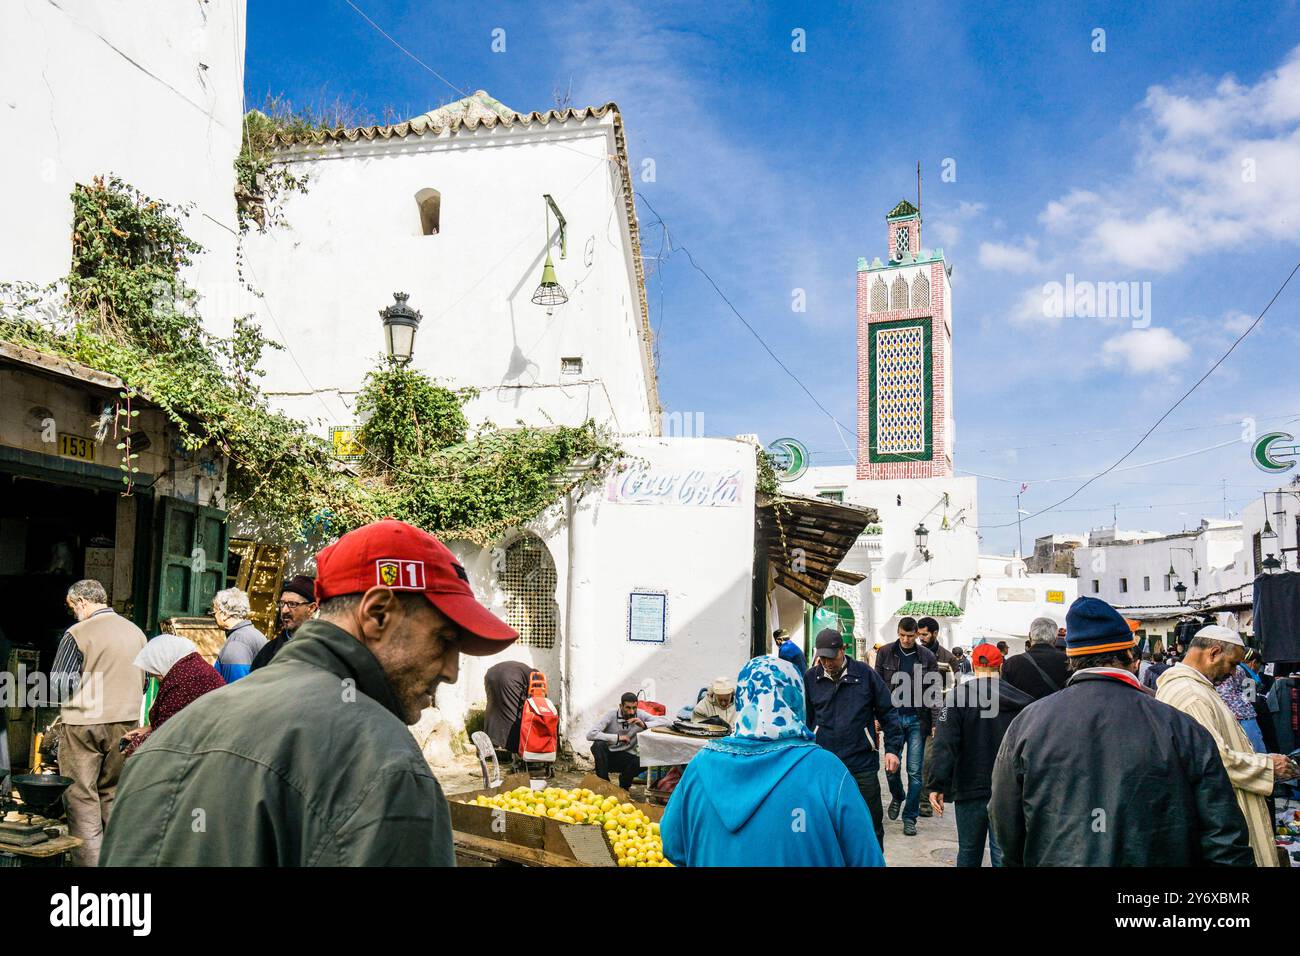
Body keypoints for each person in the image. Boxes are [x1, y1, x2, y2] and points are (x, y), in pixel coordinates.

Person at [102, 519, 519, 865]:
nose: (451, 671)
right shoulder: (383, 765)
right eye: (444, 640)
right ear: (377, 614)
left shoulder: (168, 739)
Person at [988, 596, 1253, 866]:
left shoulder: (1026, 725)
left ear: (1072, 659)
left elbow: (1005, 820)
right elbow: (1224, 837)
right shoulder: (1180, 726)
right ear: (1129, 655)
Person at [661, 656, 885, 867]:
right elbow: (867, 858)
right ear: (796, 699)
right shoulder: (827, 771)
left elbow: (673, 845)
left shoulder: (700, 767)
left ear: (741, 700)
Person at [1156, 625, 1296, 868]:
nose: (1233, 674)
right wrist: (1269, 766)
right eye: (1232, 664)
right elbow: (1215, 760)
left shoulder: (1195, 689)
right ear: (1214, 652)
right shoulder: (1191, 695)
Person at [49, 579, 147, 867]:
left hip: (84, 723)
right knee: (113, 793)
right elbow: (143, 683)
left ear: (81, 603)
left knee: (81, 796)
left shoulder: (77, 633)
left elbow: (59, 684)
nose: (72, 614)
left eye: (72, 608)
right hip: (127, 721)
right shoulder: (136, 632)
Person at [925, 642, 1033, 866]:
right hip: (1007, 790)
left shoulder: (957, 697)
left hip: (969, 786)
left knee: (968, 850)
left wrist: (937, 785)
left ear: (973, 666)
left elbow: (945, 744)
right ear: (1000, 666)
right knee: (1002, 853)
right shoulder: (1024, 701)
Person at [806, 628, 902, 849]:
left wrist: (892, 749)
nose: (827, 663)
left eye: (832, 657)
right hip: (824, 764)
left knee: (870, 823)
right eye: (823, 658)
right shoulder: (811, 678)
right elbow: (805, 720)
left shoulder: (865, 674)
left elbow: (888, 712)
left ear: (843, 650)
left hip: (862, 764)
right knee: (826, 826)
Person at [874, 617, 941, 833]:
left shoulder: (927, 657)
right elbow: (876, 688)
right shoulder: (884, 653)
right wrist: (875, 717)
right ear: (898, 632)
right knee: (891, 768)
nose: (906, 640)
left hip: (916, 720)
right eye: (902, 635)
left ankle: (910, 816)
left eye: (910, 636)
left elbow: (933, 691)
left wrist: (935, 721)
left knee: (915, 771)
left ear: (916, 635)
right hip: (891, 720)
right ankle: (897, 795)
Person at [120, 635, 225, 757]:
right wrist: (149, 728)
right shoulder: (192, 668)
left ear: (163, 660)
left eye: (157, 674)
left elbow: (167, 736)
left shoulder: (183, 681)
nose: (158, 679)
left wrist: (134, 744)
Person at [586, 692, 667, 789]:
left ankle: (624, 785)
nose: (631, 712)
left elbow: (667, 722)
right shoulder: (611, 715)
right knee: (598, 745)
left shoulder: (640, 715)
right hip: (607, 758)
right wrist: (617, 738)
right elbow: (590, 734)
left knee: (645, 760)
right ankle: (604, 783)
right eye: (628, 708)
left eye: (634, 708)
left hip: (626, 757)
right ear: (621, 706)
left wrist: (644, 725)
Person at [250, 574, 317, 671]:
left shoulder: (325, 650)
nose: (284, 610)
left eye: (292, 604)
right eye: (282, 604)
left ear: (311, 608)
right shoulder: (268, 652)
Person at [1001, 616, 1069, 700]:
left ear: (1030, 636)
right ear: (1055, 639)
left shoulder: (1011, 663)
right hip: (1058, 712)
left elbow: (1005, 697)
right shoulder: (1068, 662)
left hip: (1023, 712)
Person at [1215, 648, 1267, 753]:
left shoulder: (1220, 668)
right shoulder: (1242, 671)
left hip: (1223, 715)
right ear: (1253, 662)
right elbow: (1251, 698)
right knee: (1257, 752)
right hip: (1244, 717)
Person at [211, 588, 267, 683]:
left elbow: (235, 688)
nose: (214, 617)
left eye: (214, 613)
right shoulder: (255, 633)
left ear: (224, 614)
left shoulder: (236, 643)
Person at [483, 659, 535, 757]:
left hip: (490, 675)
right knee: (513, 710)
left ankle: (490, 743)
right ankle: (511, 746)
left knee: (493, 707)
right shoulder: (534, 675)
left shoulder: (524, 669)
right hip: (510, 678)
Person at [917, 616, 958, 688]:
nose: (920, 638)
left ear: (935, 633)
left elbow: (953, 687)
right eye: (919, 634)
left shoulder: (949, 659)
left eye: (924, 634)